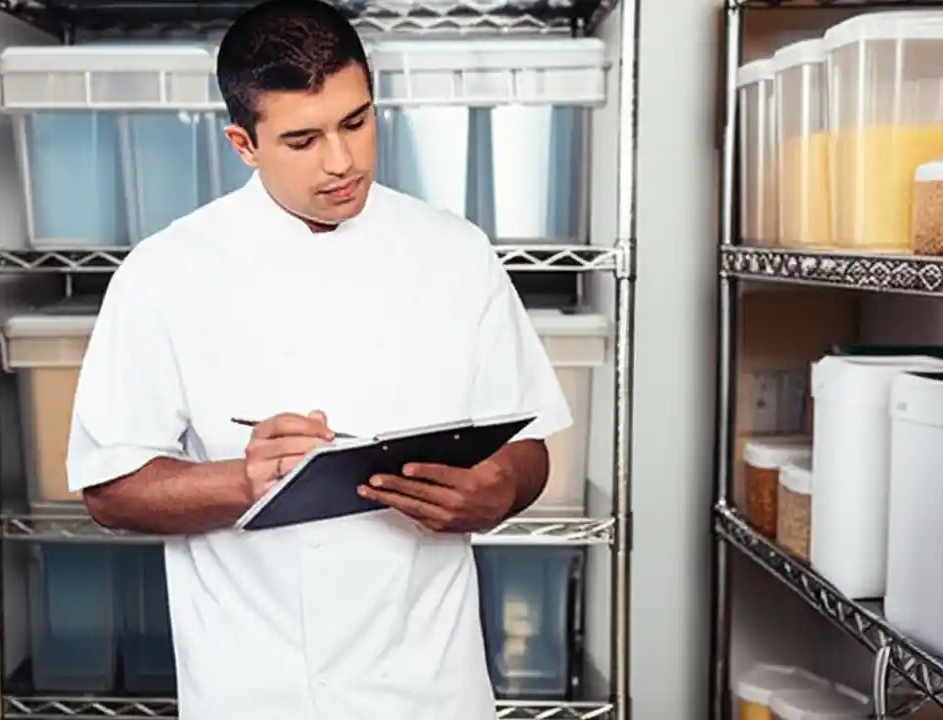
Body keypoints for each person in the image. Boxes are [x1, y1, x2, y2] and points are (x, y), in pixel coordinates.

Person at [65, 1, 572, 718]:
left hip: (429, 686)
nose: (342, 162)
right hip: (254, 688)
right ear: (243, 143)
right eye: (302, 140)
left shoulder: (454, 252)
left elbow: (529, 448)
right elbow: (109, 490)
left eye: (357, 122)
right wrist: (245, 480)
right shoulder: (167, 272)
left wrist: (498, 491)